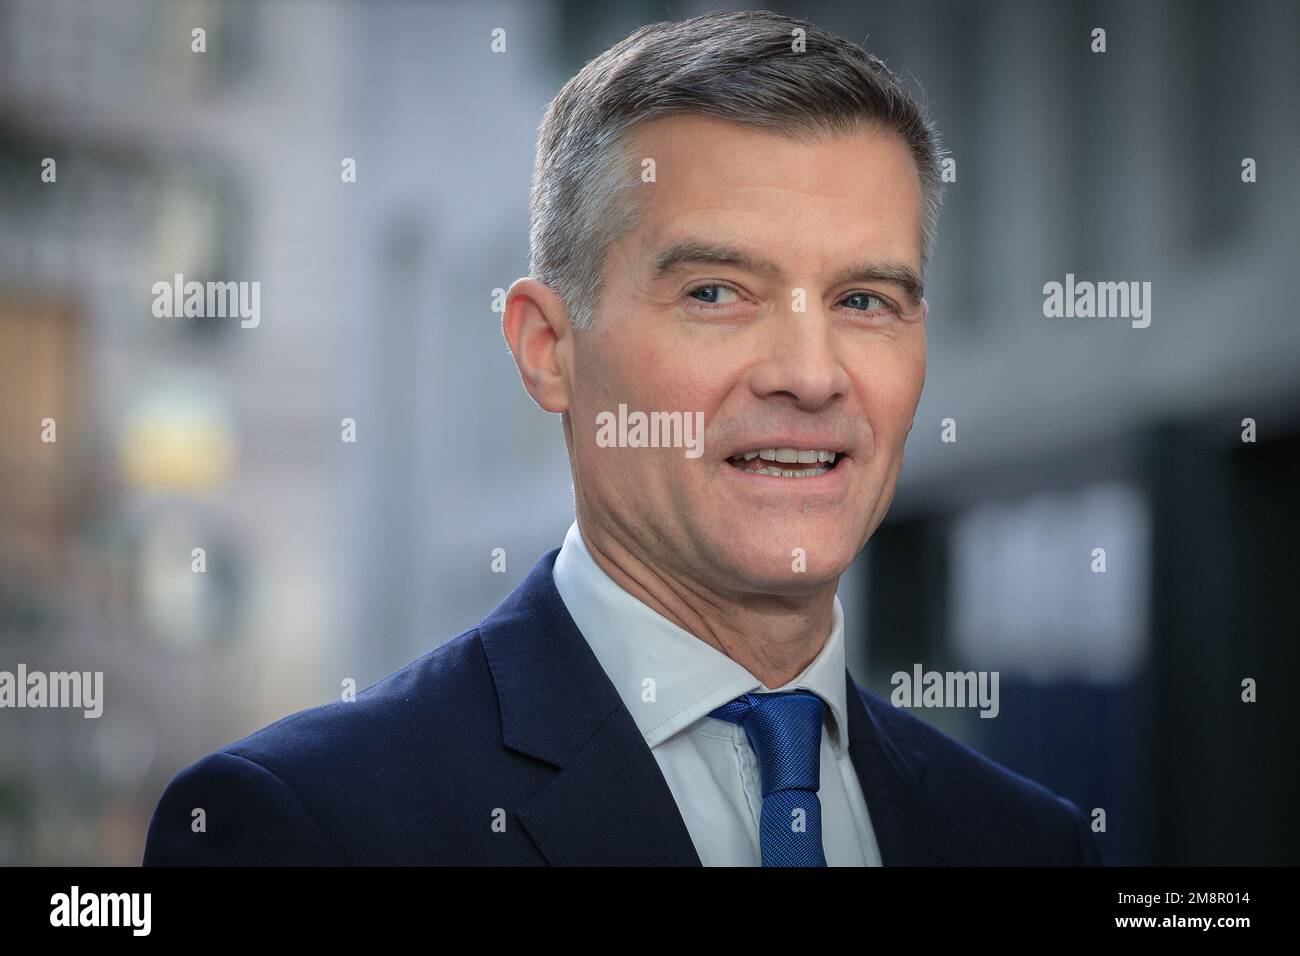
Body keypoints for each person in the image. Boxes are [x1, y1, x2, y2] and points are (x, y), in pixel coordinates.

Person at [144, 9, 1102, 866]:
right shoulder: (311, 826)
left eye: (865, 299)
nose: (810, 375)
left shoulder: (1027, 843)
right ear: (548, 349)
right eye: (717, 294)